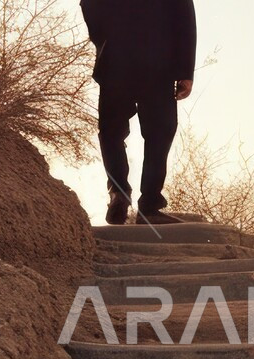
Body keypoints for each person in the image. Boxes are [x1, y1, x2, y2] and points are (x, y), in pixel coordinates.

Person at [80, 0, 197, 226]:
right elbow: (185, 19)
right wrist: (185, 71)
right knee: (158, 132)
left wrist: (106, 38)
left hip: (118, 59)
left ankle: (119, 192)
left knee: (113, 131)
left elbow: (89, 5)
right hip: (157, 61)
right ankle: (149, 205)